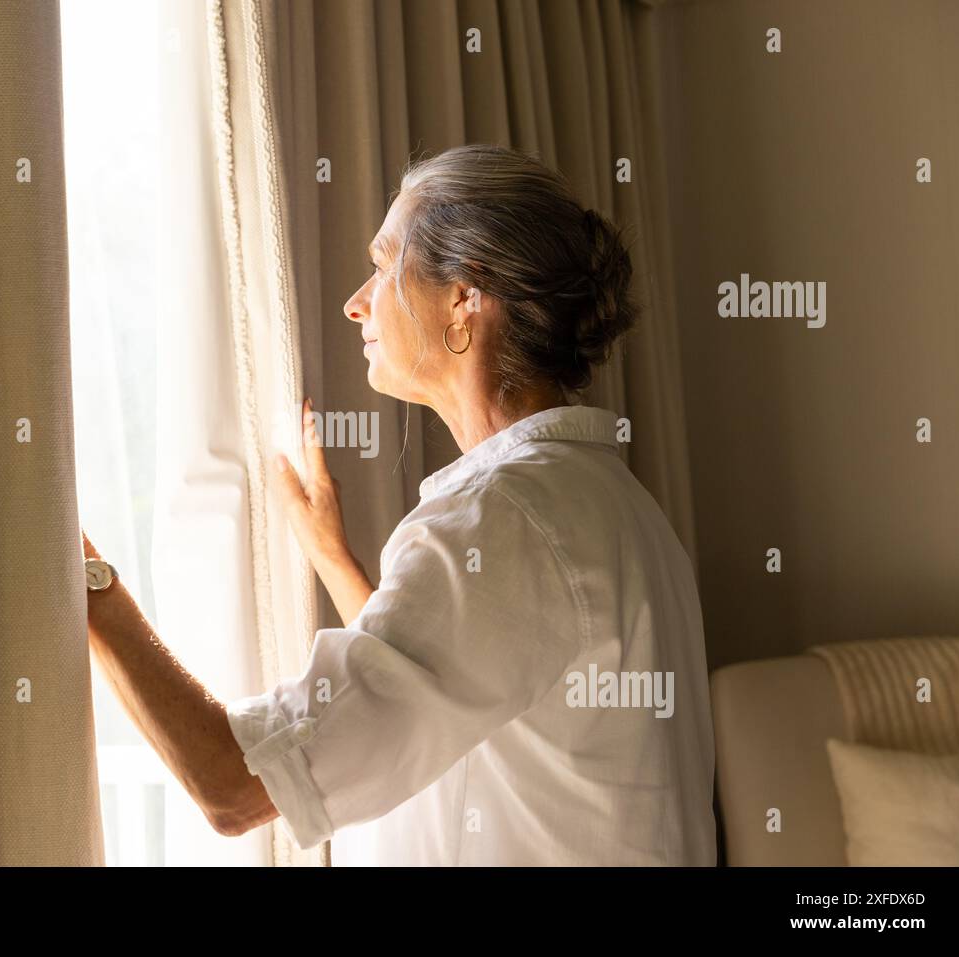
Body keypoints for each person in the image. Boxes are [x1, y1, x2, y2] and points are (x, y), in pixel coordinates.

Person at [84, 144, 716, 865]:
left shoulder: (505, 518)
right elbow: (451, 685)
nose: (358, 300)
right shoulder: (609, 501)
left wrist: (90, 585)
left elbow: (234, 787)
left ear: (462, 297)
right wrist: (329, 553)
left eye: (385, 265)